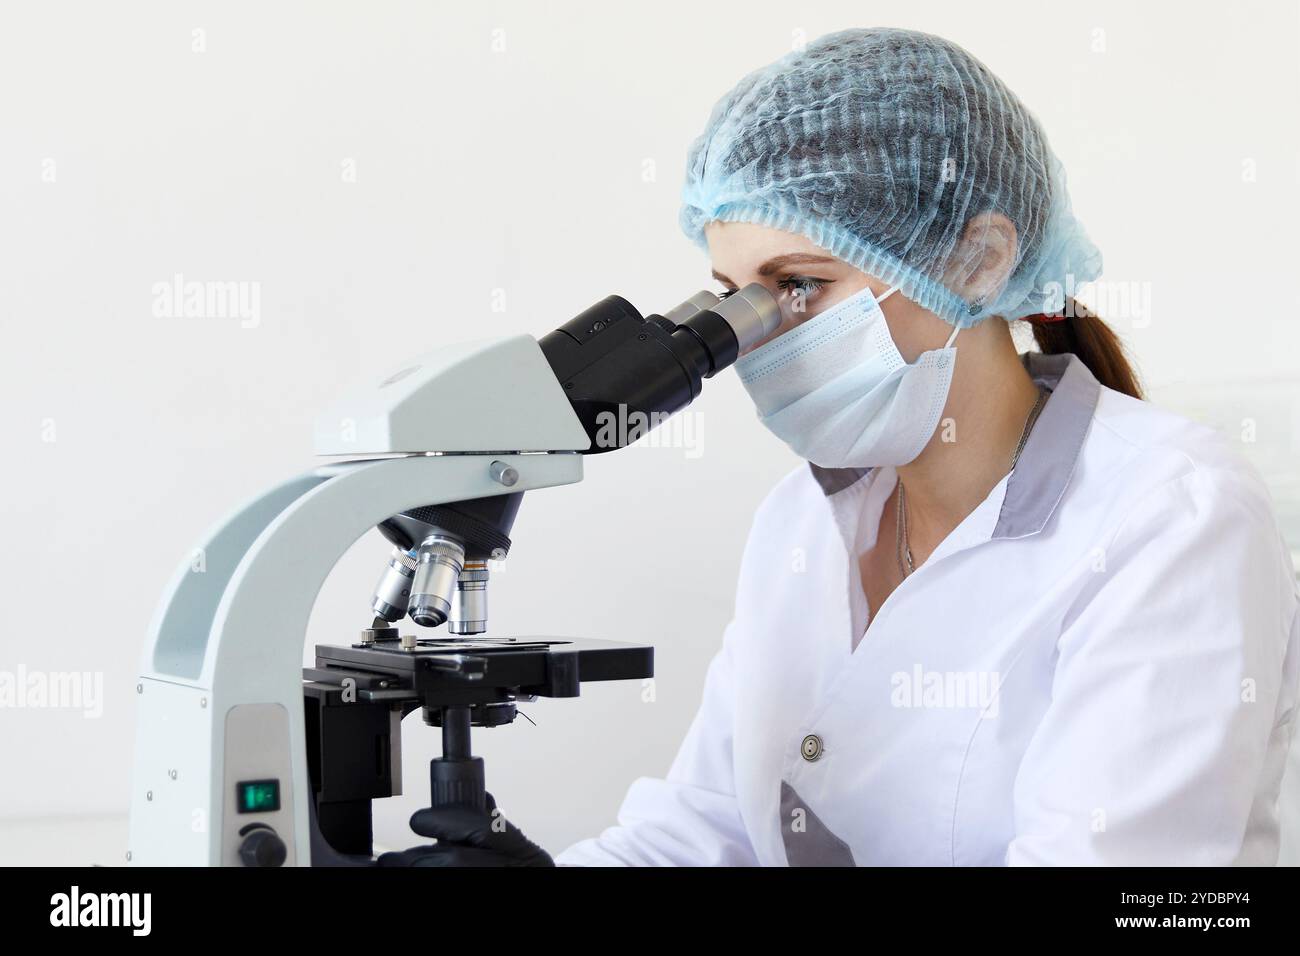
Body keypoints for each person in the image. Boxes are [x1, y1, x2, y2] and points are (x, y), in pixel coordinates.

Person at [386, 27, 1300, 867]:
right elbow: (706, 829)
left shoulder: (1171, 515)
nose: (753, 336)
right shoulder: (805, 519)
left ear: (976, 260)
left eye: (799, 286)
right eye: (729, 293)